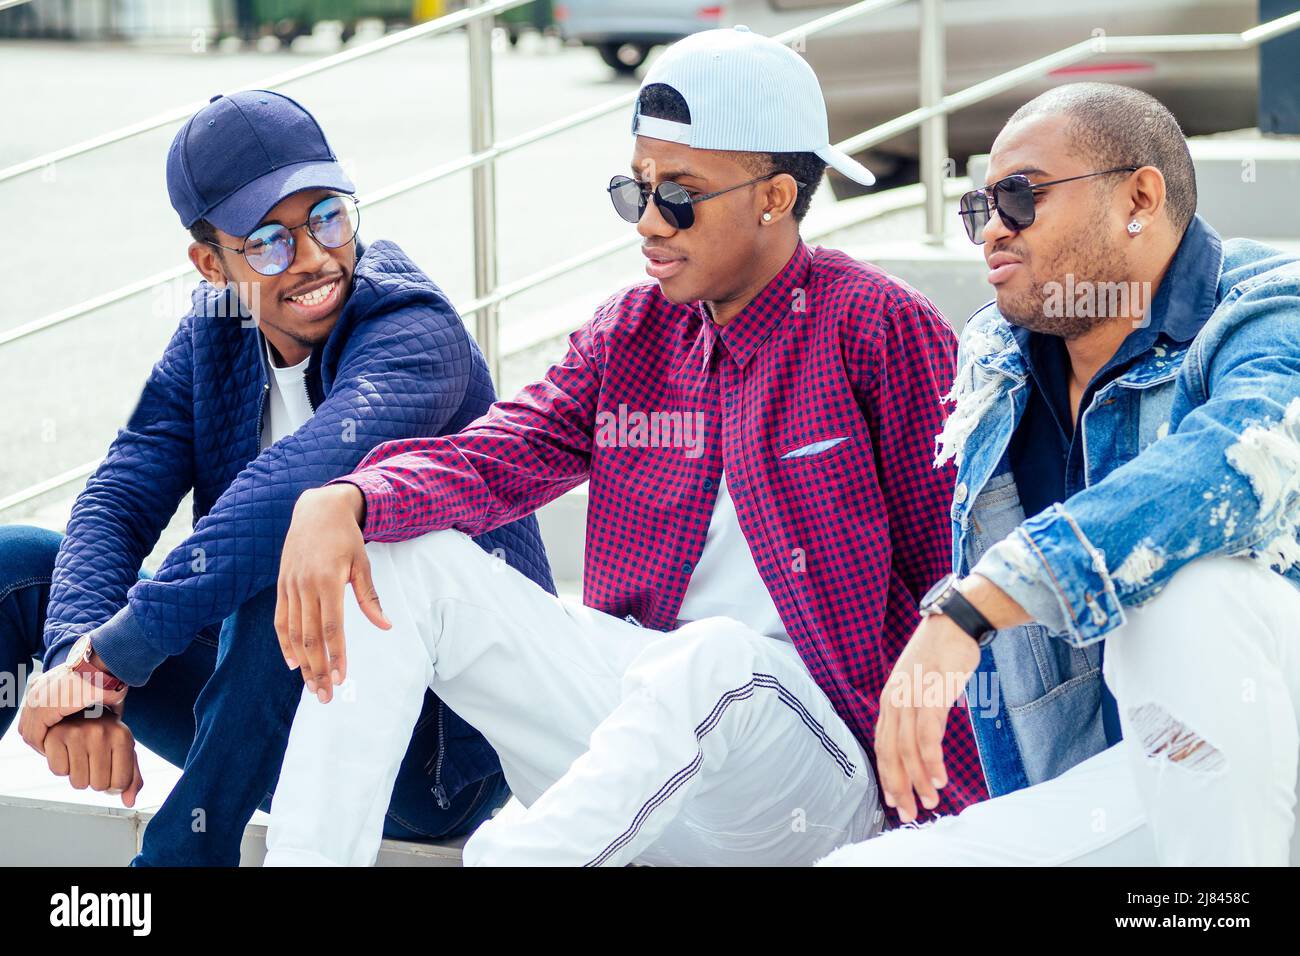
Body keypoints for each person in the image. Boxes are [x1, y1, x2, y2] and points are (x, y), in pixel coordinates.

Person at [263, 26, 987, 868]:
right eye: (633, 188)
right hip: (643, 763)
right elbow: (501, 453)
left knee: (716, 658)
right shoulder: (633, 330)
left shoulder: (877, 326)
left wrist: (958, 811)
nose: (648, 222)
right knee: (397, 561)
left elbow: (963, 564)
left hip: (816, 778)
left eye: (679, 194)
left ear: (775, 196)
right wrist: (348, 498)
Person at [6, 90, 553, 866]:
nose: (315, 257)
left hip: (430, 758)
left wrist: (113, 657)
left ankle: (173, 864)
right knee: (16, 568)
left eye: (328, 215)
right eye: (268, 240)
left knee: (298, 538)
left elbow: (286, 494)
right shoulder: (214, 335)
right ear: (210, 264)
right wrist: (76, 670)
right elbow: (119, 498)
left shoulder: (415, 331)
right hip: (269, 715)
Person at [823, 83, 1300, 866]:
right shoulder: (998, 356)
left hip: (1271, 745)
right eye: (980, 209)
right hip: (1126, 780)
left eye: (1019, 197)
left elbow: (1227, 468)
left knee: (1188, 593)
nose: (991, 232)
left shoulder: (1267, 307)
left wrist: (974, 604)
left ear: (1138, 197)